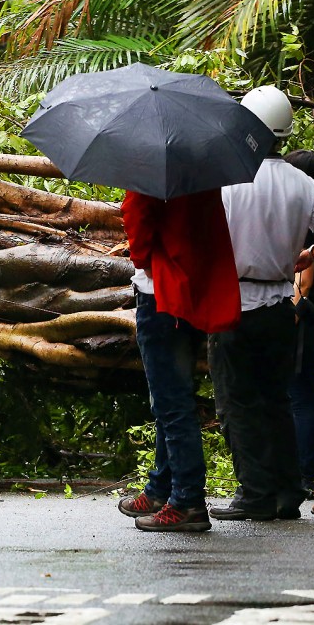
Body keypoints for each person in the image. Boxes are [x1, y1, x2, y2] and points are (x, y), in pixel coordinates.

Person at [209, 85, 314, 522]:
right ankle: (287, 492)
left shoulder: (227, 180)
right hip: (281, 305)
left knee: (238, 403)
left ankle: (255, 494)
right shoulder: (305, 184)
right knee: (276, 399)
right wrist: (310, 254)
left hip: (233, 304)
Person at [116, 187, 241, 532]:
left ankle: (187, 502)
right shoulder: (202, 175)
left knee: (171, 404)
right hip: (190, 291)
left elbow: (137, 225)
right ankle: (160, 488)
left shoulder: (148, 175)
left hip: (161, 295)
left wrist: (141, 256)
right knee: (174, 399)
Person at [284, 150, 314, 498]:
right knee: (305, 394)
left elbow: (304, 282)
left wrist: (291, 313)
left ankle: (305, 474)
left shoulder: (309, 225)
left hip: (305, 316)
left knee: (301, 394)